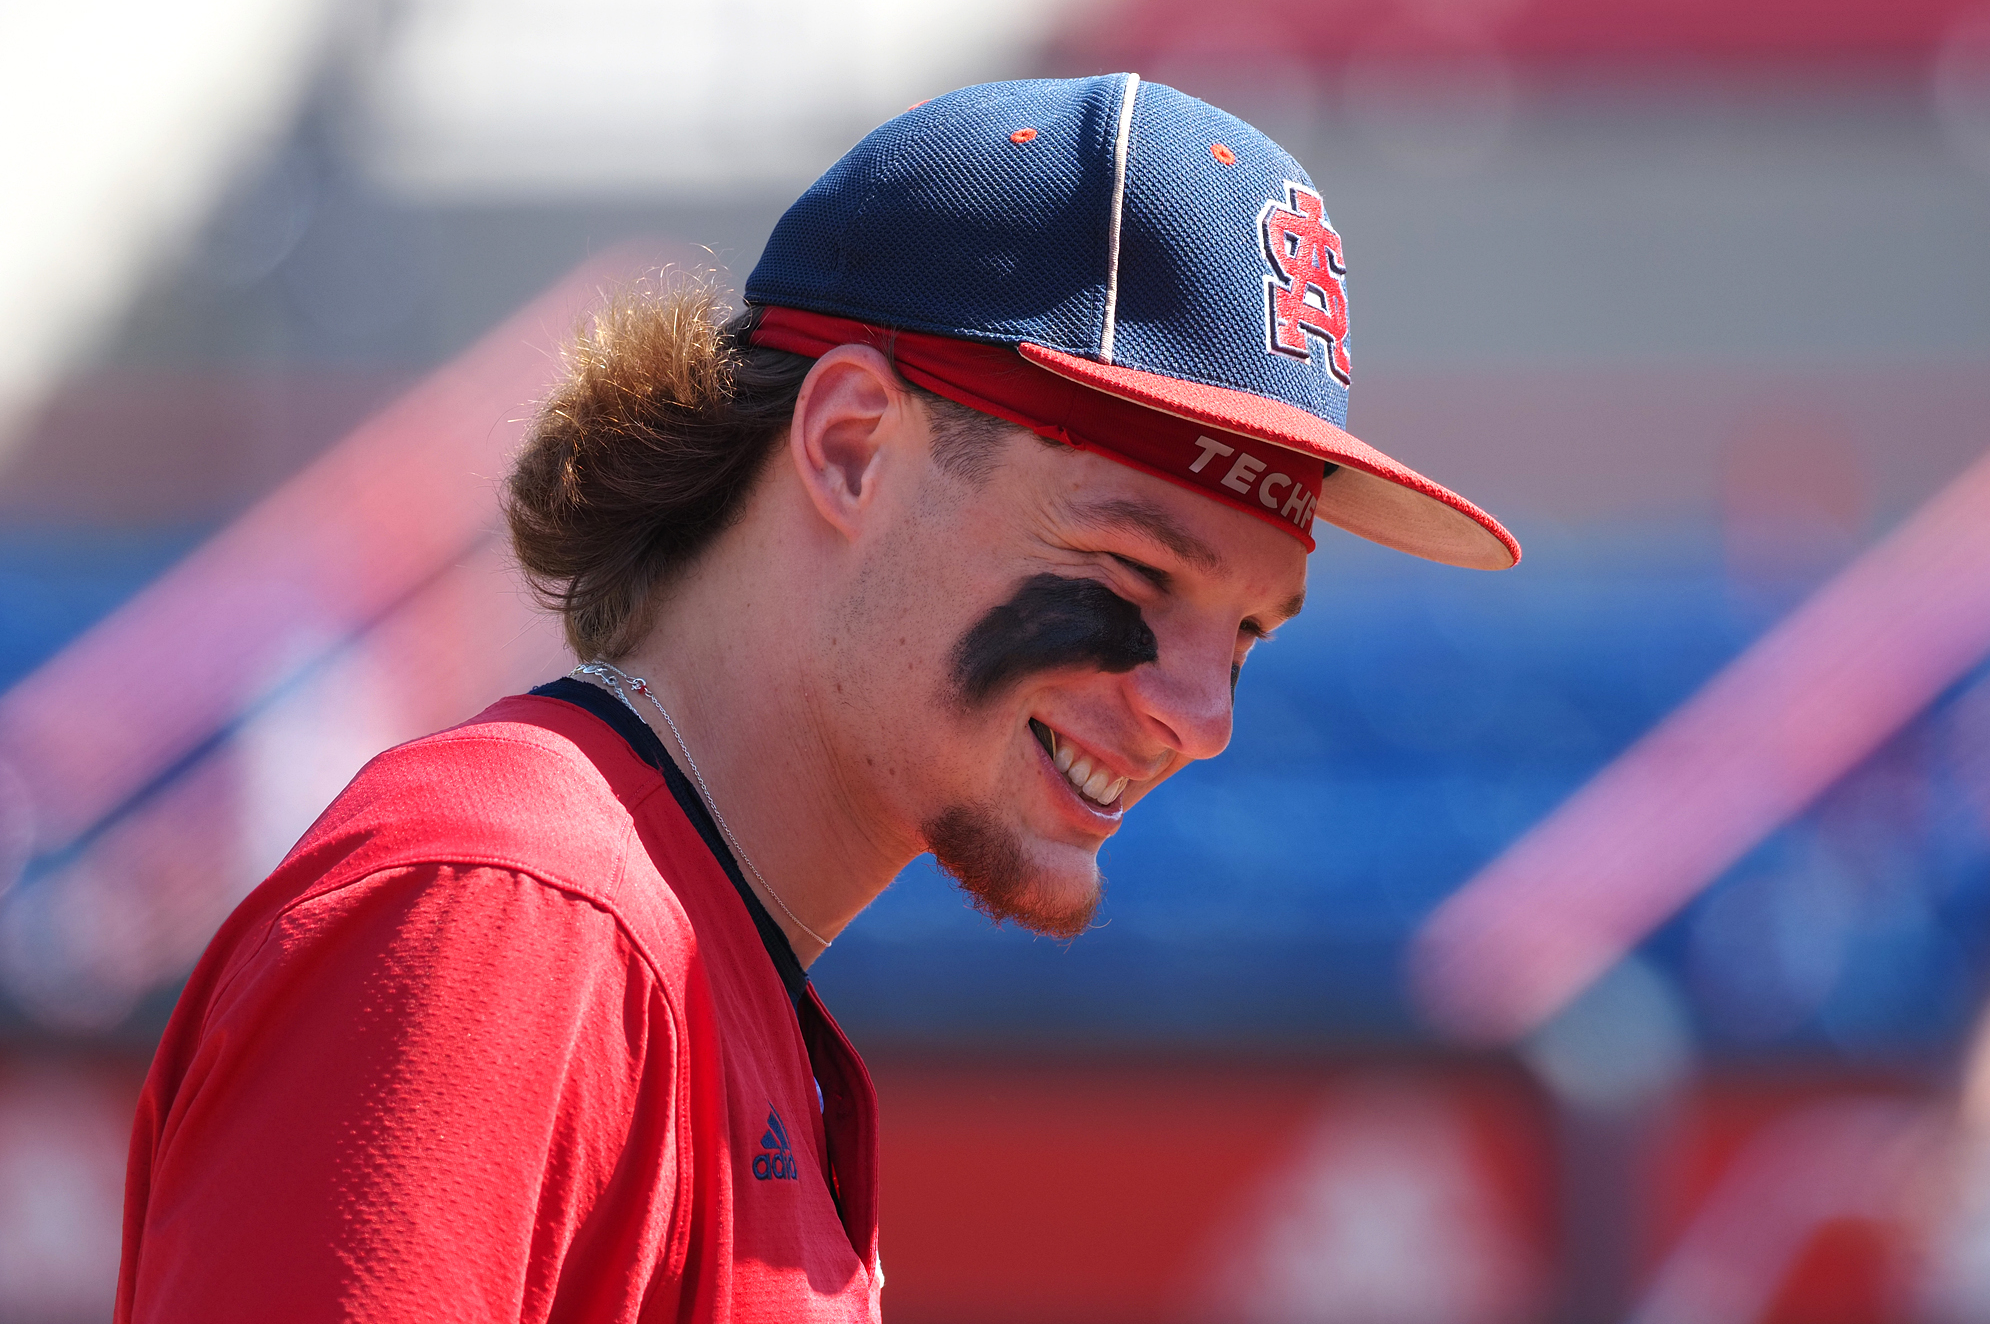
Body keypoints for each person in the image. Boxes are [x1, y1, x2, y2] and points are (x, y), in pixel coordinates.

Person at [114, 75, 1518, 1323]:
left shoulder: (684, 946)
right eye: (1135, 570)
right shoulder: (509, 913)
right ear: (851, 448)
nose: (1201, 712)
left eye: (1251, 634)